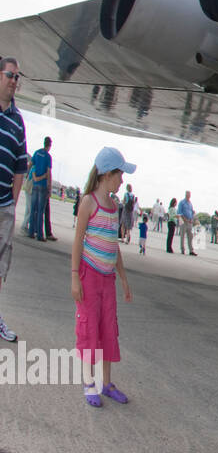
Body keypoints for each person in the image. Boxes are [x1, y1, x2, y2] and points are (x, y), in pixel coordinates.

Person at [71, 147, 136, 407]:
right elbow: (77, 242)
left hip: (108, 280)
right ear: (108, 174)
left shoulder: (113, 205)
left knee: (109, 330)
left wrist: (123, 278)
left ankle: (106, 383)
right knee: (89, 330)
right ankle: (89, 384)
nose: (123, 180)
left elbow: (113, 244)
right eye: (120, 175)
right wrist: (75, 277)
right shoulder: (89, 202)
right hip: (89, 276)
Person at [0, 57, 28, 342]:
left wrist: (12, 203)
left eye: (17, 77)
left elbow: (21, 166)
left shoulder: (18, 121)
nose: (14, 81)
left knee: (0, 265)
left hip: (3, 205)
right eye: (10, 75)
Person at [27, 135, 52, 241]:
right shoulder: (48, 156)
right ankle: (40, 235)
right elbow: (48, 172)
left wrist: (29, 176)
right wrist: (49, 187)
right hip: (42, 185)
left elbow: (30, 165)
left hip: (35, 185)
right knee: (41, 211)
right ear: (49, 145)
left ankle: (31, 232)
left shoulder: (36, 153)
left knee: (33, 209)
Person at [177, 191, 196, 255]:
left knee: (190, 236)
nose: (188, 195)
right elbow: (179, 212)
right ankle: (182, 249)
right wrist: (184, 219)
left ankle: (191, 250)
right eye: (187, 194)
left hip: (189, 221)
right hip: (183, 221)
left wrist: (192, 217)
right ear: (185, 194)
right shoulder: (182, 202)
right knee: (182, 236)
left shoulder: (190, 203)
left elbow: (191, 212)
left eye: (189, 194)